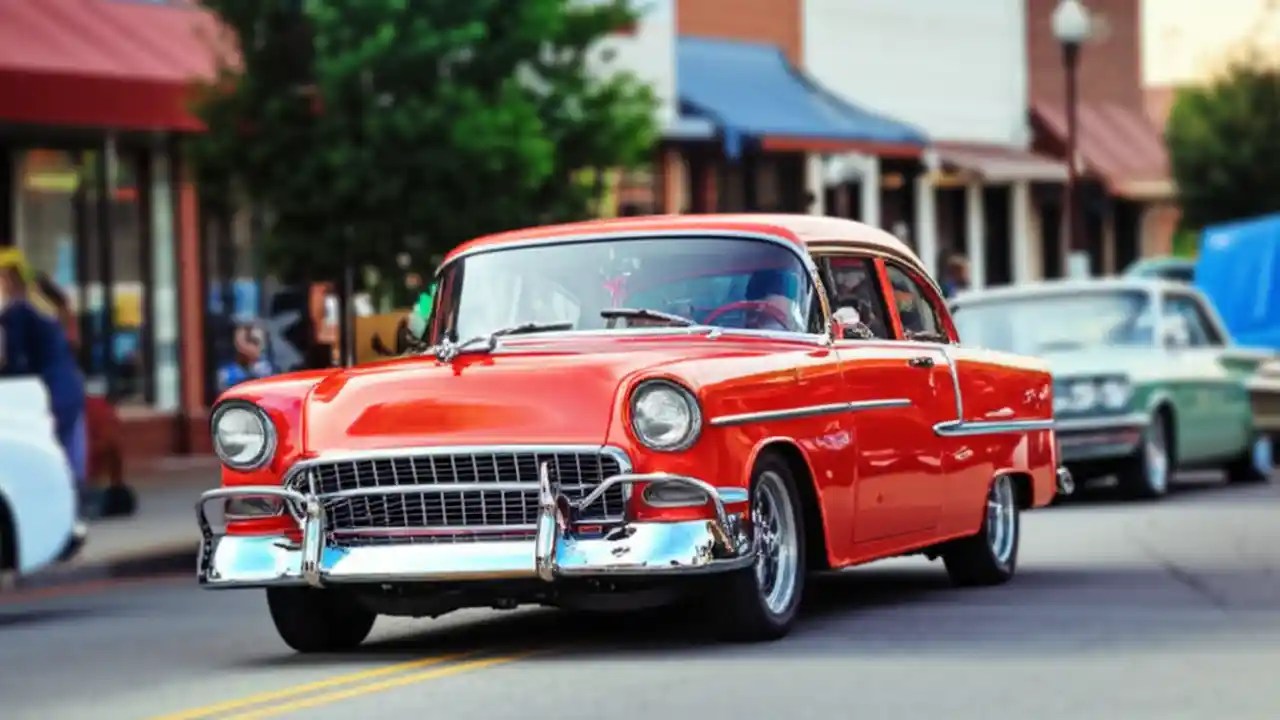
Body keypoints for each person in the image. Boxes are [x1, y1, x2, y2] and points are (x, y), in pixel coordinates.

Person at [0, 248, 88, 493]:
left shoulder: (17, 312)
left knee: (46, 452)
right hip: (68, 385)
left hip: (51, 391)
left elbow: (16, 363)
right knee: (68, 452)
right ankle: (73, 500)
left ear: (9, 278)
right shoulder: (42, 307)